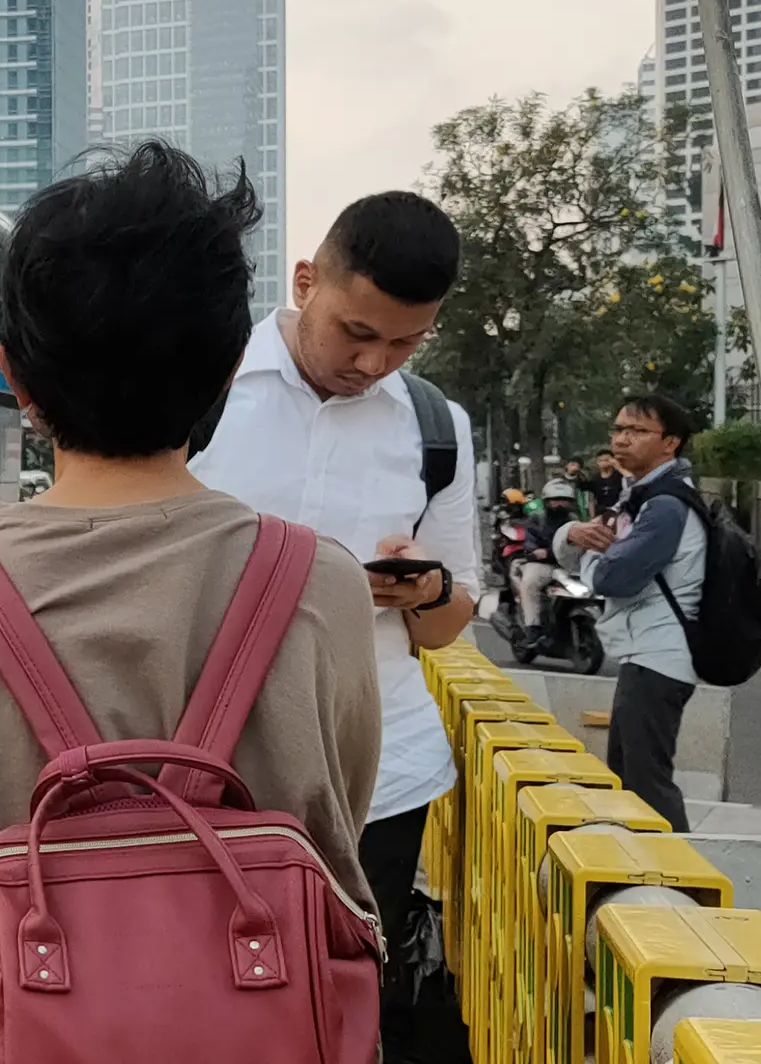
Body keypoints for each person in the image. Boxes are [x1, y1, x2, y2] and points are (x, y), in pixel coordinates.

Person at [0, 141, 381, 970]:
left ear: (15, 379)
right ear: (229, 368)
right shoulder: (322, 581)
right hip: (271, 1019)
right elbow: (338, 821)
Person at [190, 189, 482, 1056]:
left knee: (347, 1003)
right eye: (357, 332)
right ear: (307, 279)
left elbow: (449, 623)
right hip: (213, 769)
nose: (375, 362)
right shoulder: (198, 382)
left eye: (405, 342)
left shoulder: (437, 429)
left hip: (380, 777)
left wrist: (423, 592)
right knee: (205, 1000)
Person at [555, 394, 707, 830]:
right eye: (618, 430)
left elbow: (612, 579)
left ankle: (678, 883)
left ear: (670, 443)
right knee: (627, 776)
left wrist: (590, 553)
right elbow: (587, 554)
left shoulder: (666, 506)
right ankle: (646, 876)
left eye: (637, 431)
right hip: (644, 654)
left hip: (660, 655)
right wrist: (576, 536)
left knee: (647, 783)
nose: (622, 440)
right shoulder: (639, 498)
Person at [512, 479, 585, 639]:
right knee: (529, 584)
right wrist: (537, 552)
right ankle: (533, 626)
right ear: (546, 501)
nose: (559, 504)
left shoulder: (575, 521)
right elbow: (531, 545)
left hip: (568, 566)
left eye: (564, 500)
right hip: (542, 565)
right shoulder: (536, 519)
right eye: (555, 500)